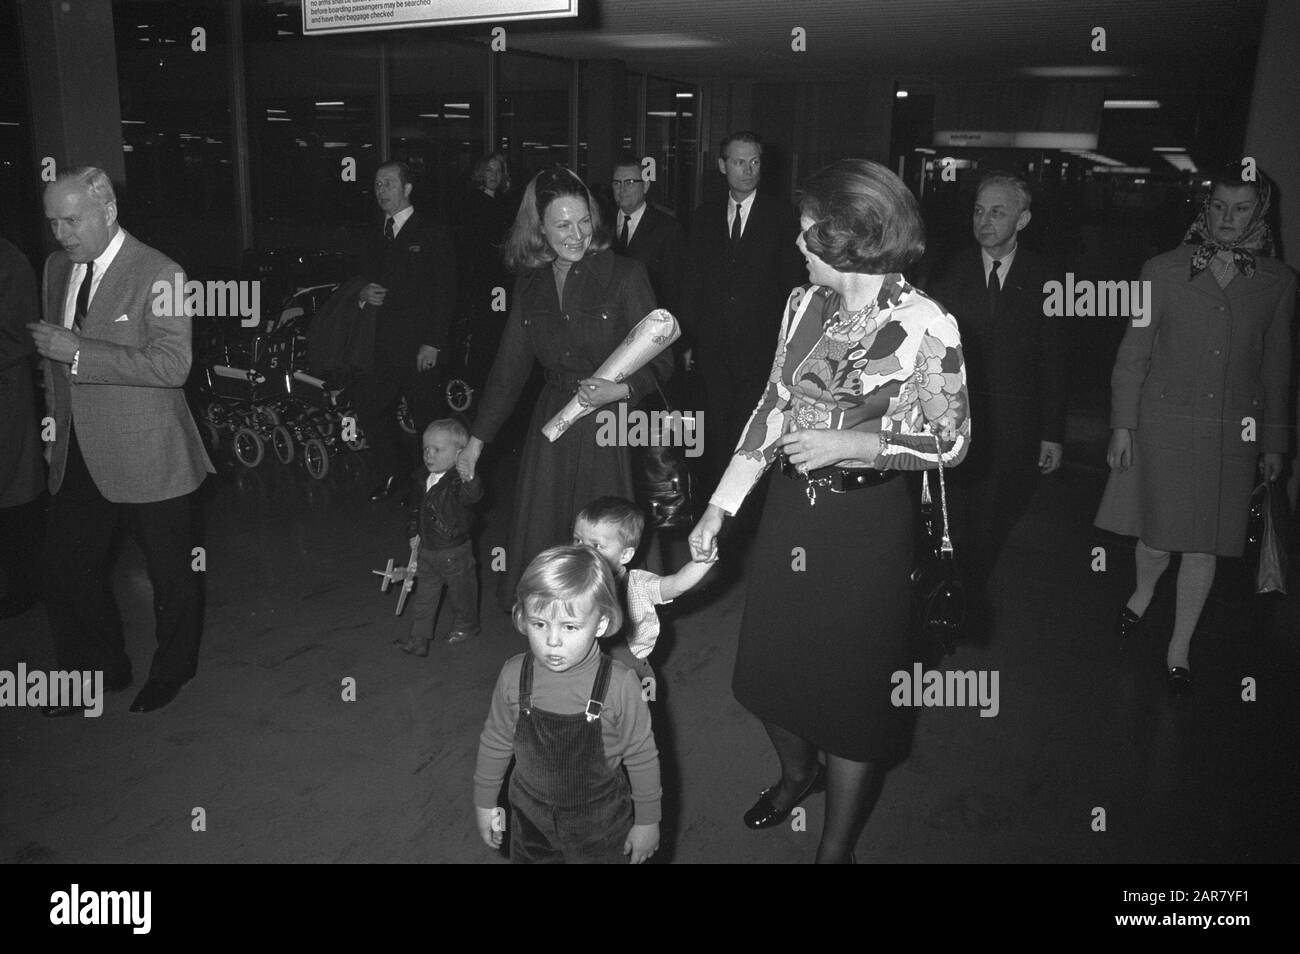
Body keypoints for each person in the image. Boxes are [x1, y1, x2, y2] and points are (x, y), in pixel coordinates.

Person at [688, 159, 970, 863]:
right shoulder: (802, 304)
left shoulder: (925, 322)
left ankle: (836, 846)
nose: (798, 243)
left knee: (852, 698)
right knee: (765, 675)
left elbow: (954, 439)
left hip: (867, 529)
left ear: (851, 237)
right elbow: (772, 404)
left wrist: (856, 441)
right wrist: (721, 506)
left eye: (810, 231)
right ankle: (795, 774)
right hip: (791, 515)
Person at [1095, 162, 1294, 695]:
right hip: (1164, 426)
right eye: (1219, 206)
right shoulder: (1160, 269)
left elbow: (1278, 368)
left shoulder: (1278, 282)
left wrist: (1275, 441)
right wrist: (1122, 425)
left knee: (1204, 546)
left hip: (1233, 435)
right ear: (1205, 208)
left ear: (1261, 212)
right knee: (1158, 538)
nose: (1227, 218)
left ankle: (1179, 646)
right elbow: (1132, 355)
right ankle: (1141, 594)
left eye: (1242, 208)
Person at [27, 167, 214, 715]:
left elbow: (172, 364)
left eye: (72, 220)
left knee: (171, 576)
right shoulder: (56, 268)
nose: (61, 234)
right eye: (53, 222)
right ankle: (98, 671)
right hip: (78, 451)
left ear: (107, 210)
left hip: (148, 452)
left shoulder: (160, 272)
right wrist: (53, 431)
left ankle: (173, 669)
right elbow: (50, 367)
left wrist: (80, 352)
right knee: (64, 567)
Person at [456, 165, 672, 609]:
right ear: (538, 229)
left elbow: (664, 362)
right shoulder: (529, 285)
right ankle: (556, 630)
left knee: (605, 541)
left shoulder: (626, 275)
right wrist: (477, 440)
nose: (577, 235)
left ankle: (619, 630)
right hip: (554, 421)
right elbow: (509, 369)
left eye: (584, 221)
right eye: (562, 225)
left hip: (613, 427)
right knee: (548, 532)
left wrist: (622, 390)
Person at [930, 172, 1067, 638]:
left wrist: (1052, 432)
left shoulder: (1046, 280)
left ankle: (966, 600)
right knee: (950, 520)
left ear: (1023, 219)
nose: (984, 221)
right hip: (953, 422)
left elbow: (1054, 362)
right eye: (978, 210)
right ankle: (944, 603)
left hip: (1011, 428)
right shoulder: (951, 271)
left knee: (990, 523)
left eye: (998, 212)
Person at [473, 545, 661, 863]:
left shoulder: (620, 684)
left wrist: (648, 822)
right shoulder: (513, 675)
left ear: (600, 624)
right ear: (522, 618)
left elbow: (642, 757)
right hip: (530, 819)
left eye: (570, 627)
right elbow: (495, 740)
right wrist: (484, 802)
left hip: (600, 824)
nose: (553, 640)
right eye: (539, 624)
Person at [680, 131, 805, 485]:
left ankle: (748, 503)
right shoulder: (704, 217)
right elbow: (693, 282)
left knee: (753, 430)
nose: (748, 170)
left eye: (755, 162)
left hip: (762, 347)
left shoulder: (781, 217)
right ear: (722, 166)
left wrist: (788, 345)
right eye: (739, 162)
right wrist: (687, 340)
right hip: (714, 347)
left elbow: (792, 284)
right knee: (717, 429)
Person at [355, 160, 457, 501]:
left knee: (428, 419)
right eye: (377, 184)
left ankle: (438, 488)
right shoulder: (372, 232)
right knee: (370, 408)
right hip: (379, 346)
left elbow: (446, 292)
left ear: (407, 188)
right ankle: (391, 473)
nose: (380, 190)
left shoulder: (431, 231)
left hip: (418, 347)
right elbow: (357, 277)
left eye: (388, 183)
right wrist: (362, 293)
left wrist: (433, 343)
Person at [572, 495, 713, 683]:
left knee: (639, 704)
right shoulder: (569, 577)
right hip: (582, 659)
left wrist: (702, 562)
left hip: (629, 667)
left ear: (625, 554)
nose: (583, 551)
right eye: (578, 540)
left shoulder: (637, 585)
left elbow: (677, 584)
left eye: (596, 545)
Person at [394, 418, 483, 656]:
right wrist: (414, 532)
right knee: (425, 596)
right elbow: (416, 510)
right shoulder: (422, 479)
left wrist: (469, 477)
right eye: (426, 449)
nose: (429, 455)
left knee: (461, 592)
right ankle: (419, 637)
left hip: (454, 551)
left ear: (459, 454)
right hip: (428, 551)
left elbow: (471, 496)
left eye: (437, 450)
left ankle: (467, 626)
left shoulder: (457, 482)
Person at [0, 234, 44, 620]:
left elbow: (20, 336)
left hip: (6, 398)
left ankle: (24, 587)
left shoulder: (9, 261)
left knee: (14, 499)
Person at [453, 152, 516, 392]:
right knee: (487, 332)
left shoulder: (501, 202)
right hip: (485, 280)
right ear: (481, 173)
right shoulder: (474, 203)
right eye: (489, 170)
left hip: (498, 278)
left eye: (498, 171)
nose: (493, 175)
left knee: (496, 331)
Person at [609, 151, 684, 315]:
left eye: (630, 182)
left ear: (646, 186)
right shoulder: (602, 224)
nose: (622, 189)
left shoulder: (667, 228)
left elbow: (675, 287)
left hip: (649, 320)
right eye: (617, 183)